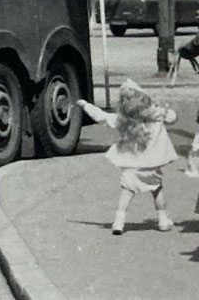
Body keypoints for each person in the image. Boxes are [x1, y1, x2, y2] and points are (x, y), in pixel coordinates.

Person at [77, 80, 180, 235]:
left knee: (126, 192)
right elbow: (173, 118)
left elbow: (101, 117)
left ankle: (118, 222)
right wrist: (164, 111)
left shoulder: (123, 120)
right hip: (152, 165)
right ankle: (163, 220)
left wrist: (85, 105)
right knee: (157, 190)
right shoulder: (157, 117)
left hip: (132, 165)